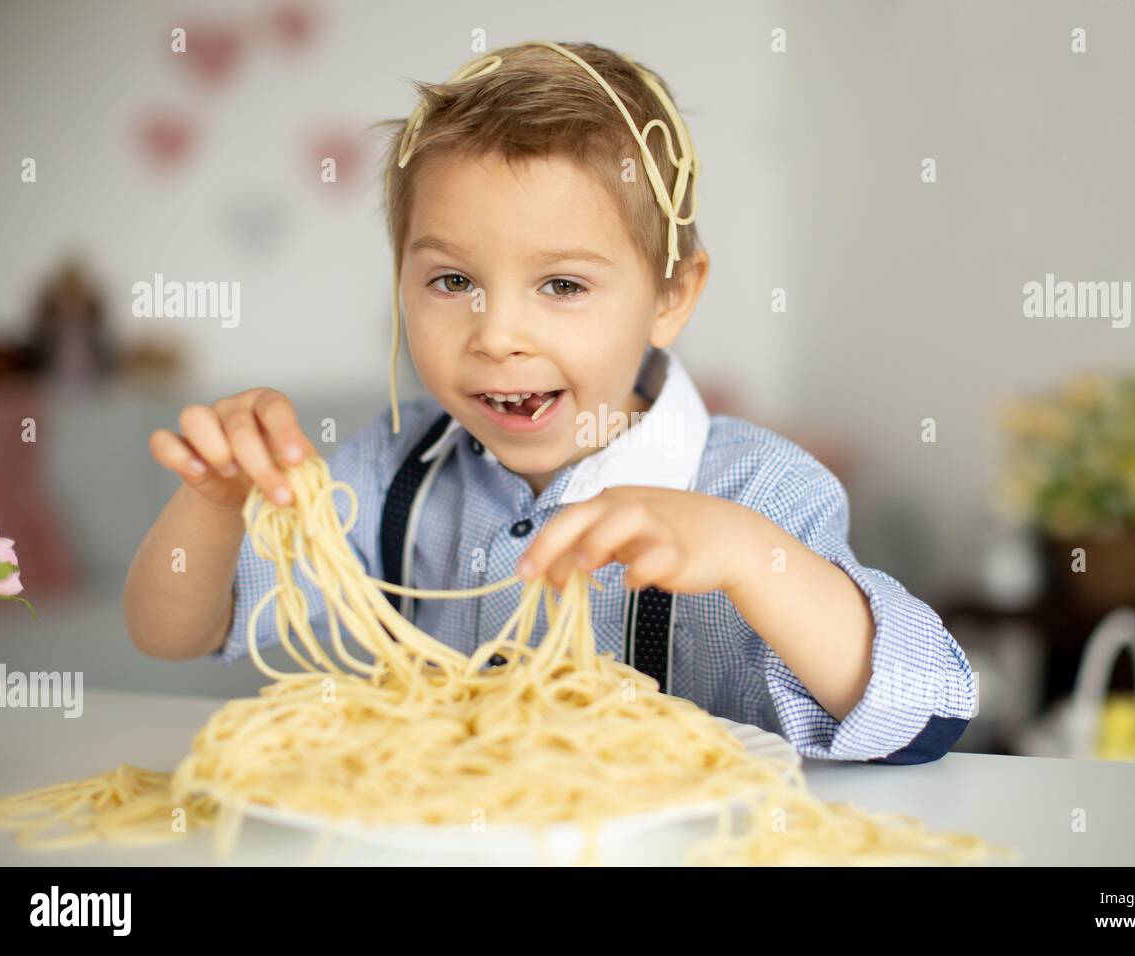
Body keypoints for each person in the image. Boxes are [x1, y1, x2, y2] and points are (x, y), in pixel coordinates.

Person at [124, 41, 975, 763]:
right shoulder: (386, 472)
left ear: (672, 295)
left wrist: (751, 557)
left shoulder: (757, 489)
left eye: (562, 284)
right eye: (452, 280)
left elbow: (926, 712)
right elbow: (177, 632)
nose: (497, 335)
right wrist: (216, 502)